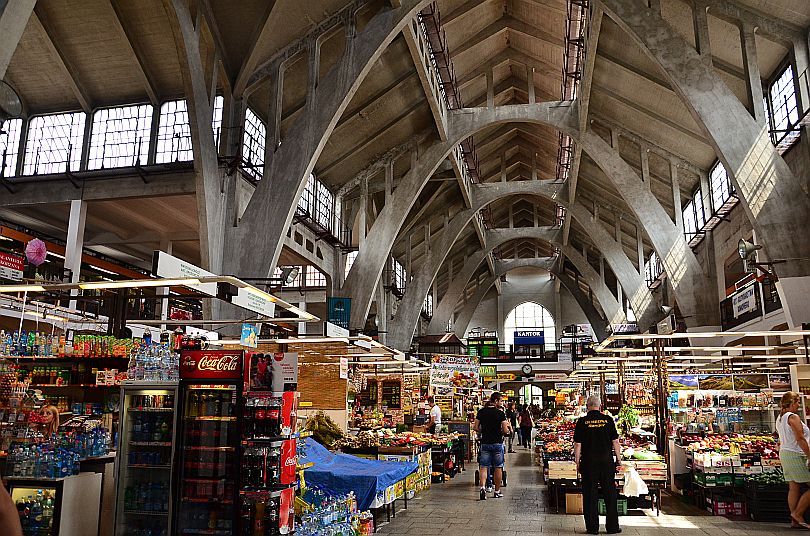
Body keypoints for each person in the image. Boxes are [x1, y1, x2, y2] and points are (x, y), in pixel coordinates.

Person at [574, 395, 622, 535]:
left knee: (590, 495)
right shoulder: (608, 420)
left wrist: (577, 462)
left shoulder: (582, 421)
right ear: (600, 406)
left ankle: (592, 528)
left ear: (587, 406)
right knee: (610, 494)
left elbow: (578, 444)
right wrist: (619, 460)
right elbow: (615, 442)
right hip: (606, 462)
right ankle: (612, 527)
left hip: (589, 463)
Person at [776, 392, 810, 529]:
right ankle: (798, 514)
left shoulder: (780, 418)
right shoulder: (793, 417)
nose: (798, 405)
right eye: (796, 402)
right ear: (791, 403)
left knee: (794, 487)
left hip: (785, 453)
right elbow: (800, 438)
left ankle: (794, 520)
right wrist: (809, 456)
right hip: (796, 454)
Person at [473, 392, 510, 500]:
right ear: (496, 401)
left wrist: (484, 431)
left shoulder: (481, 412)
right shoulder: (500, 413)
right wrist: (506, 431)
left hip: (485, 443)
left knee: (483, 466)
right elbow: (505, 430)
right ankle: (497, 491)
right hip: (497, 444)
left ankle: (483, 488)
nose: (502, 403)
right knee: (498, 467)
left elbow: (475, 427)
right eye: (501, 401)